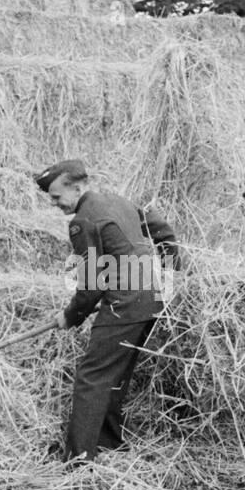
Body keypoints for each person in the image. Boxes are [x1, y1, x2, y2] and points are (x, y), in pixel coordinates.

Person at [34, 159, 179, 463]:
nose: (56, 204)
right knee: (116, 374)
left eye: (58, 197)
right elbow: (165, 234)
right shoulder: (120, 201)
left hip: (123, 305)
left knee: (91, 376)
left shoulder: (82, 221)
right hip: (151, 300)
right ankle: (110, 444)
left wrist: (71, 315)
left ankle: (78, 460)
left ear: (76, 187)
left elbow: (90, 284)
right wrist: (166, 279)